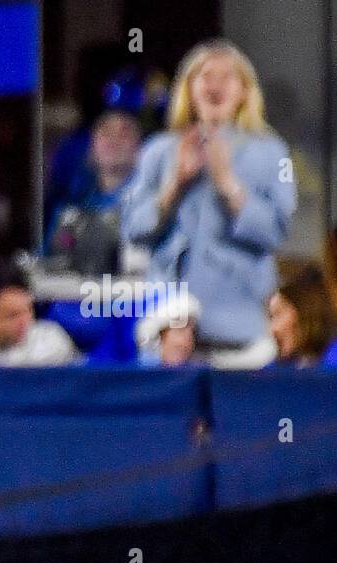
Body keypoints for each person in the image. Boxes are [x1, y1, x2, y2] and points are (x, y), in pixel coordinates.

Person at [121, 39, 296, 368]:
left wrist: (228, 183)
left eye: (226, 77)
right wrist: (175, 185)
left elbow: (276, 233)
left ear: (244, 91)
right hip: (170, 332)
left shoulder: (271, 152)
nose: (214, 85)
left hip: (242, 334)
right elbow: (133, 229)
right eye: (204, 76)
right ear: (188, 87)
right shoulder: (158, 150)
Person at [43, 109, 141, 276]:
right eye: (106, 133)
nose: (114, 141)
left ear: (139, 148)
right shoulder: (72, 206)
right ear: (92, 147)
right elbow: (49, 259)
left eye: (124, 134)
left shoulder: (148, 202)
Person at [268, 264, 335, 367]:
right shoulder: (276, 370)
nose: (273, 329)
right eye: (271, 317)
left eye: (278, 314)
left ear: (305, 312)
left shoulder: (332, 365)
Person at [133, 292, 201, 368]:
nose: (186, 341)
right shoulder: (139, 377)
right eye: (179, 331)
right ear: (158, 337)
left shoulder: (202, 374)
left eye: (192, 333)